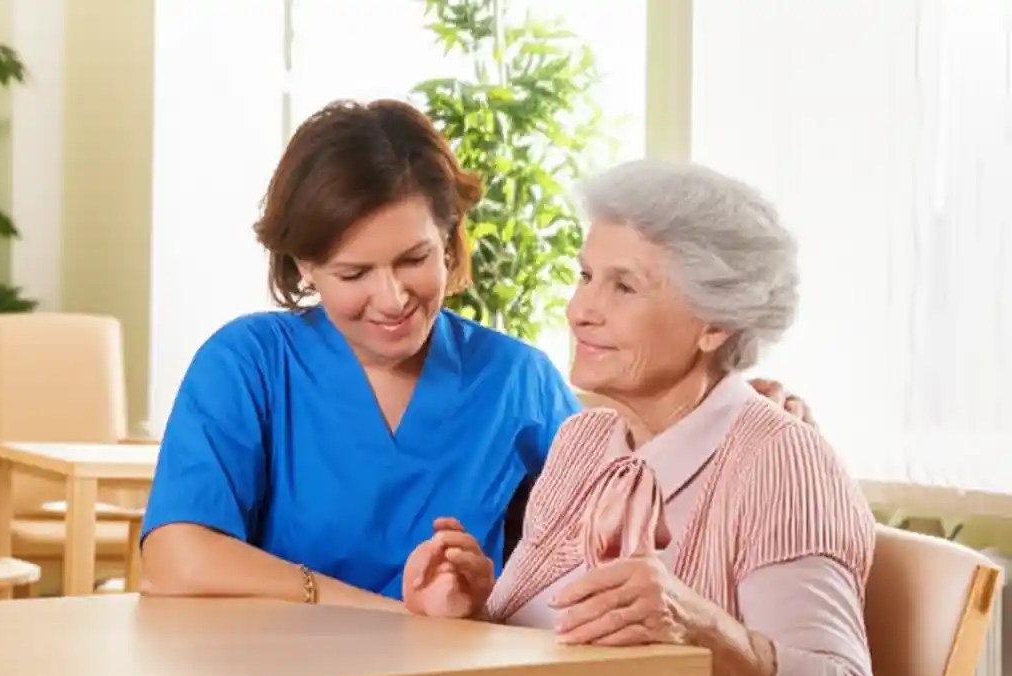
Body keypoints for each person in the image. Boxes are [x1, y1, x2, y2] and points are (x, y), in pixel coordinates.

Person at [139, 99, 812, 614]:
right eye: (353, 274)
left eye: (414, 259)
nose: (393, 297)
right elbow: (176, 558)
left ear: (451, 239)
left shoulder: (514, 381)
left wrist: (733, 411)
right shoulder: (249, 364)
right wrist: (390, 617)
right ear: (305, 266)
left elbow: (639, 489)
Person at [403, 160, 876, 676]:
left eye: (623, 286)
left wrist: (701, 626)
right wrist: (469, 615)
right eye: (585, 277)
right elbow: (542, 665)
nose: (580, 312)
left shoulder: (780, 459)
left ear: (714, 325)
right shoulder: (583, 442)